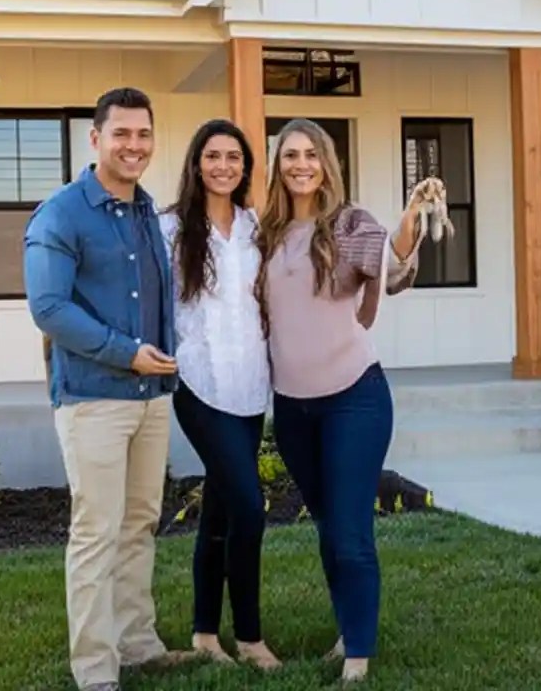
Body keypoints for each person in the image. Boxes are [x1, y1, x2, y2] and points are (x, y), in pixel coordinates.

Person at [252, 117, 439, 683]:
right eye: (290, 155)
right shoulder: (264, 235)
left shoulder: (348, 223)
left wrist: (411, 217)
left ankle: (357, 656)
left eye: (311, 154)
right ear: (278, 165)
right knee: (329, 526)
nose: (301, 164)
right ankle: (346, 629)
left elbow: (393, 263)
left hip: (355, 399)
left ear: (326, 162)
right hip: (292, 408)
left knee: (352, 529)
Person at [24, 87, 187, 691]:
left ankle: (138, 643)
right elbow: (48, 308)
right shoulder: (62, 214)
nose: (134, 145)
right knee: (96, 531)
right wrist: (128, 354)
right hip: (94, 396)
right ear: (95, 138)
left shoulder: (147, 211)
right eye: (121, 134)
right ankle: (95, 669)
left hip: (151, 398)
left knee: (139, 522)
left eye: (143, 134)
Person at [157, 119, 282, 670]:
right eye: (213, 156)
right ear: (196, 163)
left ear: (245, 167)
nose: (223, 166)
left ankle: (206, 634)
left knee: (220, 511)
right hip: (199, 383)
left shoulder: (258, 227)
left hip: (251, 385)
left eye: (234, 157)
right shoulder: (170, 229)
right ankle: (251, 638)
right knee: (250, 511)